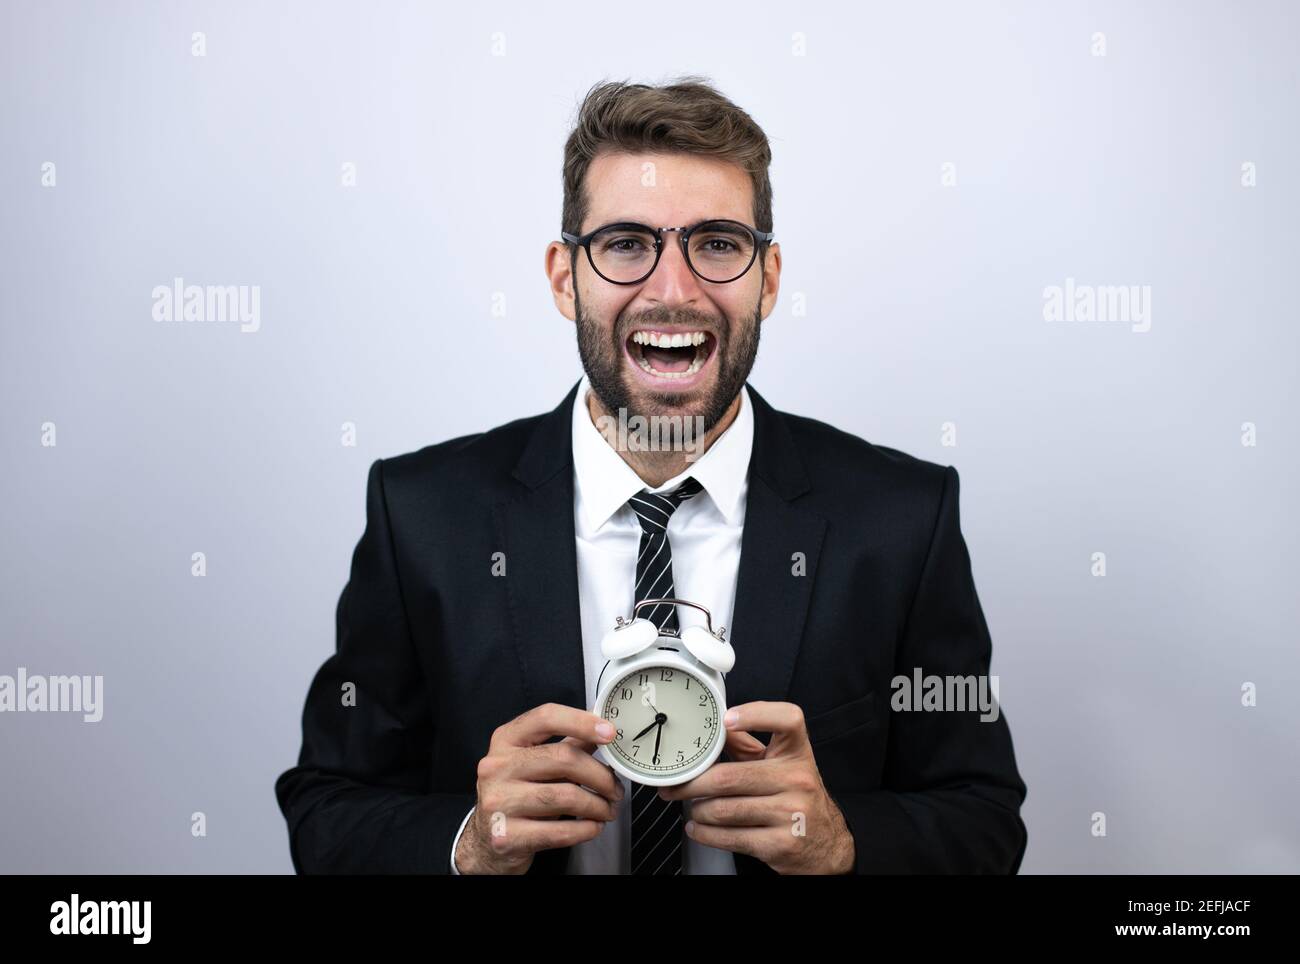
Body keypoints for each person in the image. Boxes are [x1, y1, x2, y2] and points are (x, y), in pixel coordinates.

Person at [275, 76, 1027, 875]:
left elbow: (983, 822)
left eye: (718, 245)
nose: (673, 290)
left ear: (767, 279)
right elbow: (328, 808)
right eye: (628, 244)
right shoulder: (420, 517)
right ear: (566, 279)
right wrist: (466, 842)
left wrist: (847, 844)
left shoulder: (903, 521)